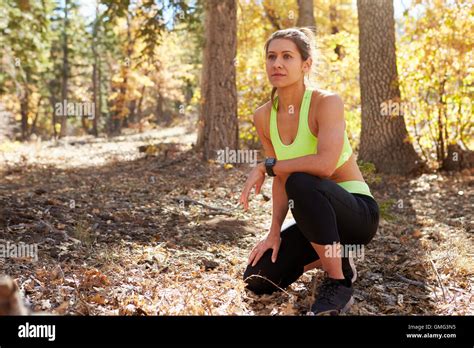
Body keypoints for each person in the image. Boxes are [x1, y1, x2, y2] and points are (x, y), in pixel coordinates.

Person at [239, 27, 380, 316]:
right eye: (271, 56)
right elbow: (280, 179)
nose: (277, 63)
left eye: (287, 56)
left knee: (302, 182)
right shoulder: (263, 116)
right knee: (258, 277)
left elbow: (325, 164)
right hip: (316, 220)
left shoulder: (326, 102)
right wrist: (273, 233)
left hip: (356, 215)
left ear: (306, 64)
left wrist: (267, 167)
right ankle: (334, 254)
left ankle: (339, 280)